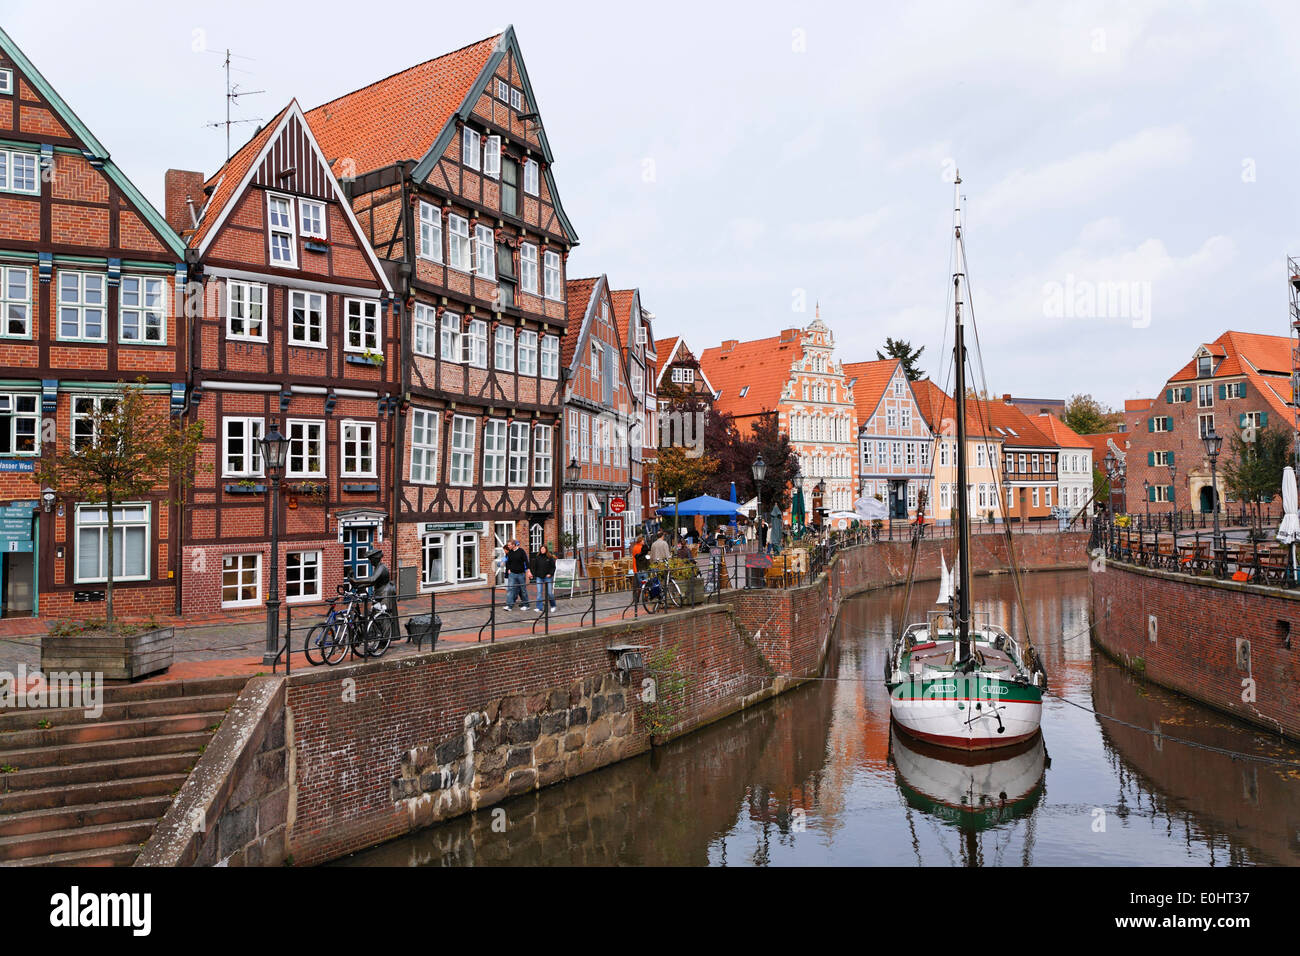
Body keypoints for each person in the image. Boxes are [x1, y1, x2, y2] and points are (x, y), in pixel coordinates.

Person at [530, 542, 557, 613]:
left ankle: (553, 606)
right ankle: (539, 607)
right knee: (539, 592)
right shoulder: (537, 557)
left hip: (547, 577)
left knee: (549, 593)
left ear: (546, 550)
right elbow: (534, 567)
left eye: (543, 549)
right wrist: (534, 574)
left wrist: (550, 574)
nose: (542, 550)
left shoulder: (550, 557)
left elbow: (553, 567)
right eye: (541, 549)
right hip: (539, 577)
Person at [504, 539, 530, 610]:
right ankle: (509, 606)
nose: (508, 546)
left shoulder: (521, 551)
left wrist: (528, 570)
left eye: (509, 545)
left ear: (513, 545)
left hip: (521, 574)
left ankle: (526, 605)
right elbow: (508, 562)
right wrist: (508, 569)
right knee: (510, 589)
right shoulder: (510, 552)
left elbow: (526, 561)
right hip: (512, 574)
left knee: (523, 589)